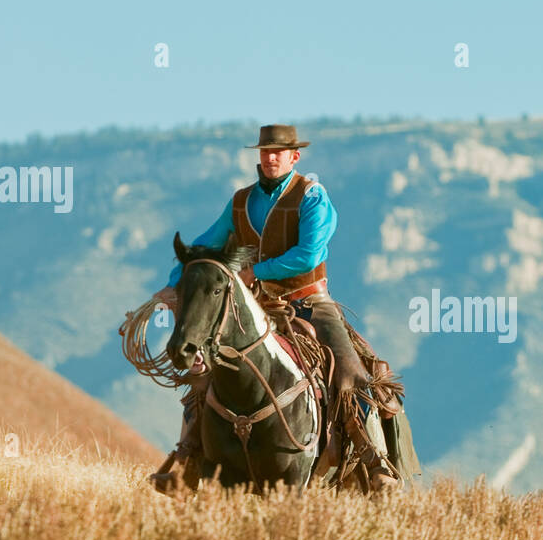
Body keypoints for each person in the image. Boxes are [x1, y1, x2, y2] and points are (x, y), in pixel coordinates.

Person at [148, 124, 398, 493]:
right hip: (254, 308)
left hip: (309, 302)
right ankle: (186, 459)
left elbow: (308, 255)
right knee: (203, 376)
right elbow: (204, 246)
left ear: (294, 157)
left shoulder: (312, 197)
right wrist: (174, 283)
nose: (270, 158)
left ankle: (374, 461)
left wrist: (253, 272)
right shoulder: (240, 201)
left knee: (351, 373)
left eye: (278, 152)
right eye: (265, 151)